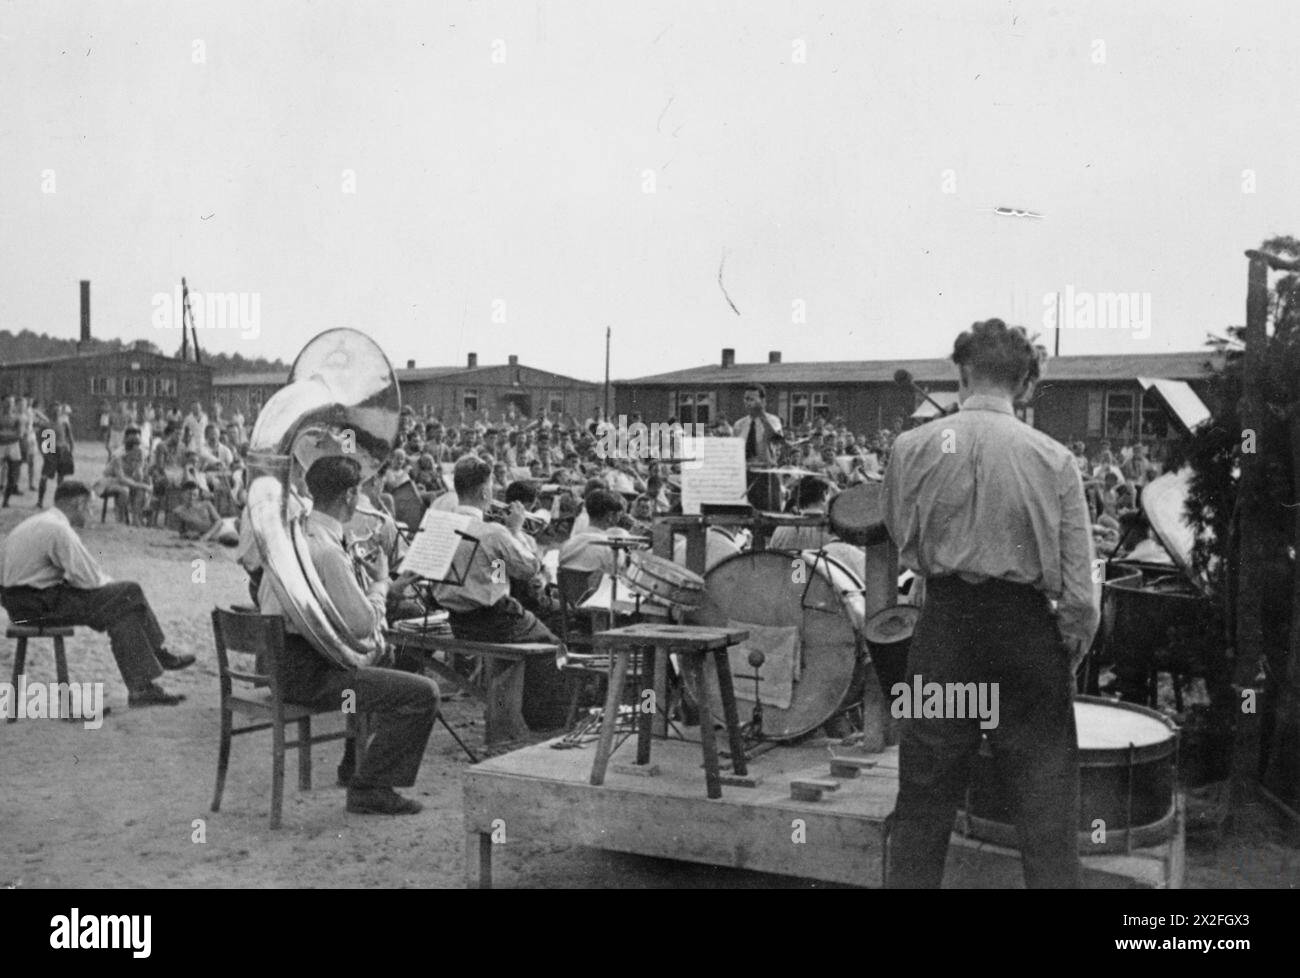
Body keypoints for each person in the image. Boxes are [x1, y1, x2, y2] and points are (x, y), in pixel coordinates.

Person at [881, 317, 1099, 889]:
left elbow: (904, 540)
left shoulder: (911, 447)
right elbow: (1081, 595)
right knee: (1047, 811)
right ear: (1027, 383)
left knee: (923, 799)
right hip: (1026, 635)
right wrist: (1064, 656)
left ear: (960, 371)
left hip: (946, 630)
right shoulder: (1055, 460)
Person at [257, 456, 440, 815]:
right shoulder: (327, 551)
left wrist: (381, 589)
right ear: (350, 496)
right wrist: (383, 582)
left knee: (388, 663)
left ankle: (355, 765)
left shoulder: (290, 536)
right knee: (422, 693)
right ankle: (369, 787)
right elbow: (363, 625)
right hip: (311, 677)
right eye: (358, 491)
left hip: (278, 665)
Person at [0, 480, 194, 706]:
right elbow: (89, 579)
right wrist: (114, 590)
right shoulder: (59, 529)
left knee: (121, 610)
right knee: (130, 591)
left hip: (19, 604)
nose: (91, 513)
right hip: (38, 604)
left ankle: (142, 689)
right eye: (90, 507)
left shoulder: (37, 522)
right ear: (78, 503)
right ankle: (158, 654)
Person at [432, 456, 565, 727]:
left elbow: (496, 574)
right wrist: (515, 531)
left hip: (459, 621)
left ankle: (512, 716)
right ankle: (545, 723)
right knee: (553, 646)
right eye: (491, 486)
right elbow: (529, 569)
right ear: (484, 492)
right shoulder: (494, 532)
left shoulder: (440, 526)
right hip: (495, 619)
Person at [733, 383, 784, 511]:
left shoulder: (773, 421)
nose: (747, 403)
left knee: (767, 514)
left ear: (762, 401)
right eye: (746, 399)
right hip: (745, 475)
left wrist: (761, 416)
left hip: (766, 475)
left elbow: (775, 438)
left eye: (752, 399)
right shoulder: (739, 425)